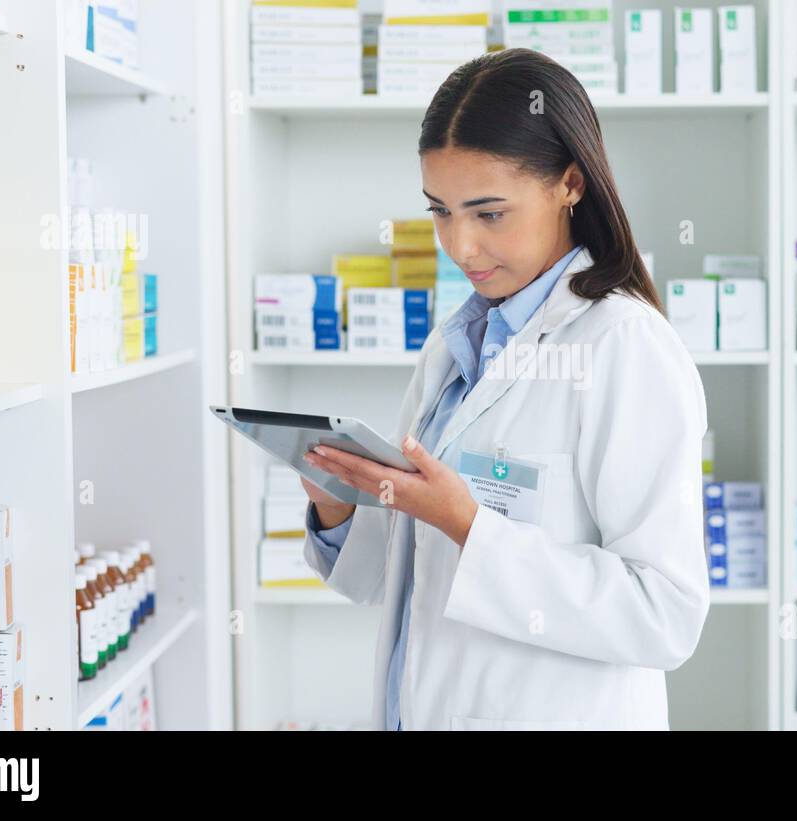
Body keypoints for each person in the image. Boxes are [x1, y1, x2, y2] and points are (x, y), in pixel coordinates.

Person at [300, 48, 709, 731]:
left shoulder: (624, 347)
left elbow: (664, 614)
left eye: (488, 213)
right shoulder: (452, 347)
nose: (459, 246)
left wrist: (469, 525)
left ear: (569, 184)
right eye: (441, 212)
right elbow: (392, 579)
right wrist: (338, 508)